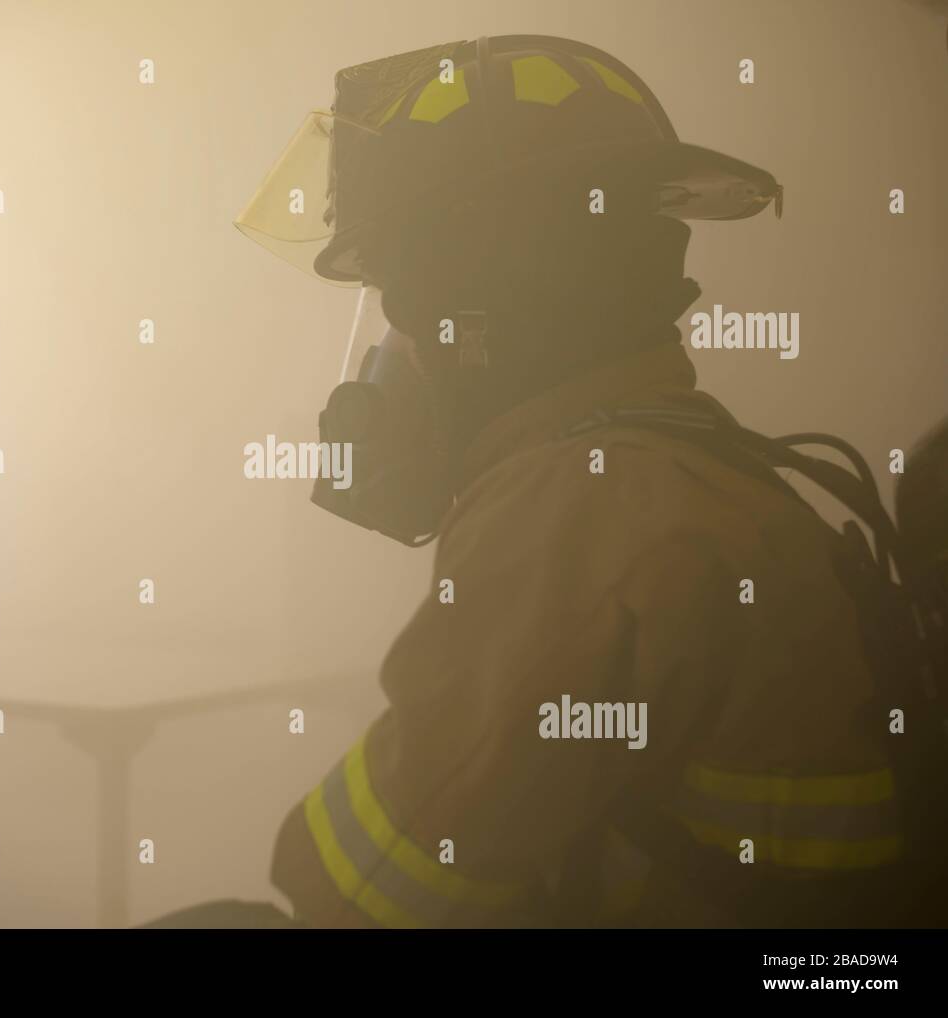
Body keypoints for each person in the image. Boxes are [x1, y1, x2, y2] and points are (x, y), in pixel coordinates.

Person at [228, 35, 945, 929]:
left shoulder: (582, 515)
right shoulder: (687, 474)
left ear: (472, 314)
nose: (387, 356)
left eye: (398, 306)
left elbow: (366, 896)